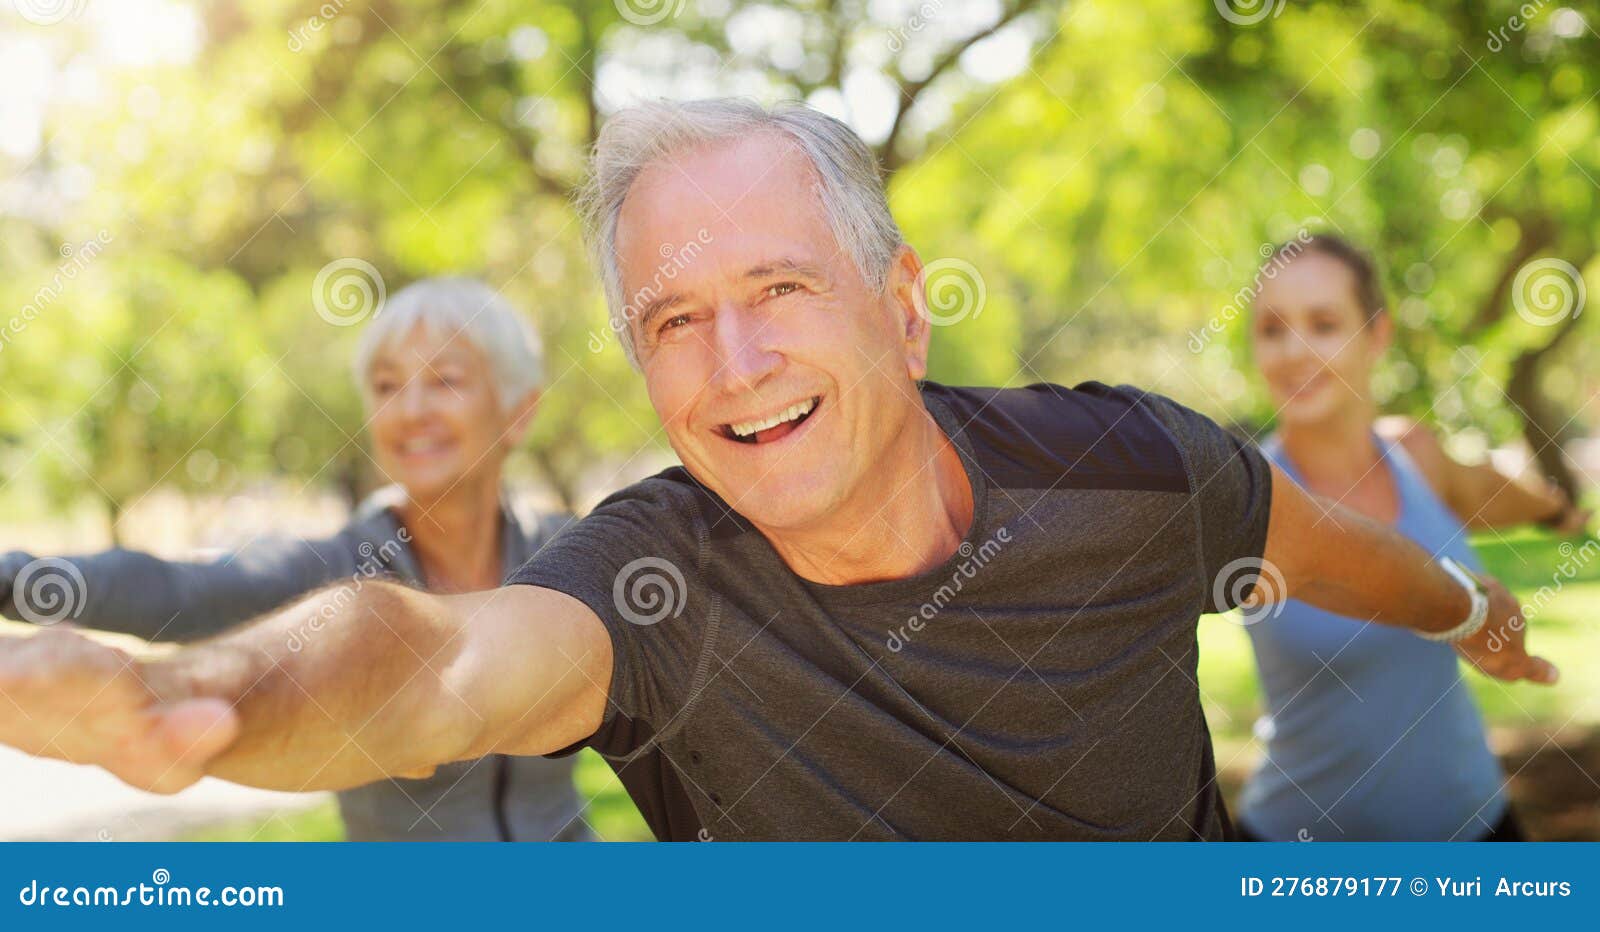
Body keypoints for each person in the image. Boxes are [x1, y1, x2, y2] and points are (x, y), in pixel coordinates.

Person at [0, 100, 1561, 842]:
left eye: (781, 291)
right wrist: (200, 701)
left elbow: (1344, 555)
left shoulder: (1130, 466)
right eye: (674, 321)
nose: (732, 365)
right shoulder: (653, 584)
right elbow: (435, 661)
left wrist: (1466, 615)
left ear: (898, 302)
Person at [0, 277, 590, 842]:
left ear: (518, 412)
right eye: (386, 386)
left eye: (445, 380)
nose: (410, 410)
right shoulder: (333, 572)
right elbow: (179, 588)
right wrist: (13, 579)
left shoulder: (569, 556)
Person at [1233, 234, 1591, 842]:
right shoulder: (1246, 499)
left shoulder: (1416, 454)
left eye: (1323, 324)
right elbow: (1363, 571)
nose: (1294, 351)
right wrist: (1469, 609)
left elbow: (1486, 489)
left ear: (1377, 335)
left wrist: (1558, 513)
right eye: (1271, 329)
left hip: (1475, 830)